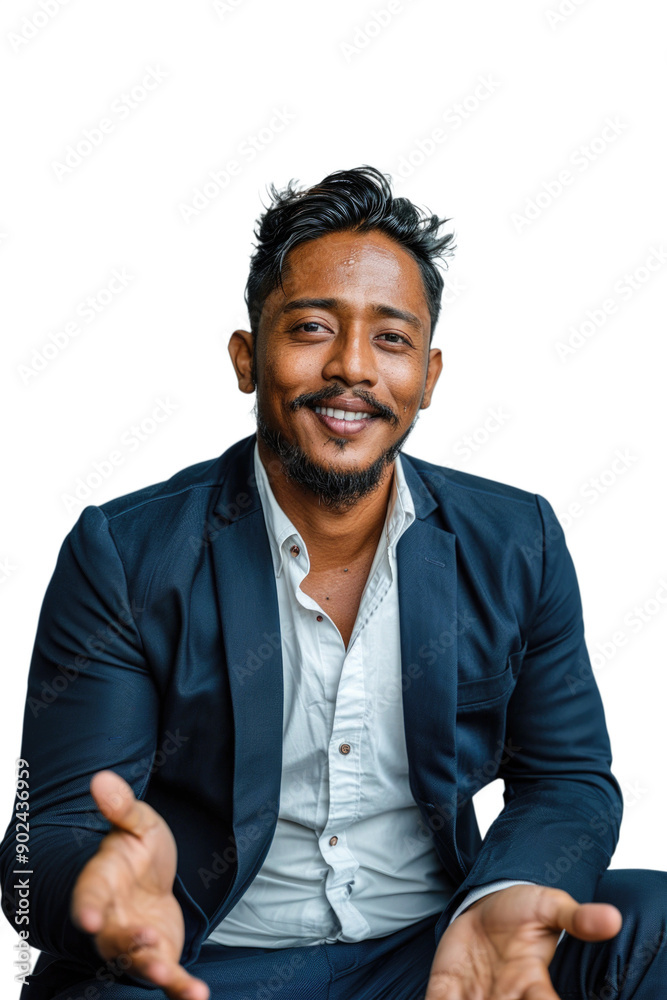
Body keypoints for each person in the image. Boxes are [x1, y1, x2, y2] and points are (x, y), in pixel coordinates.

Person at [1, 166, 665, 1000]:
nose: (352, 367)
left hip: (431, 954)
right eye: (311, 328)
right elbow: (39, 846)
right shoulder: (126, 553)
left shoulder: (513, 540)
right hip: (202, 964)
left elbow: (567, 779)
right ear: (248, 358)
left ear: (426, 376)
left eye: (390, 339)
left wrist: (503, 897)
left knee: (653, 917)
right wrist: (103, 899)